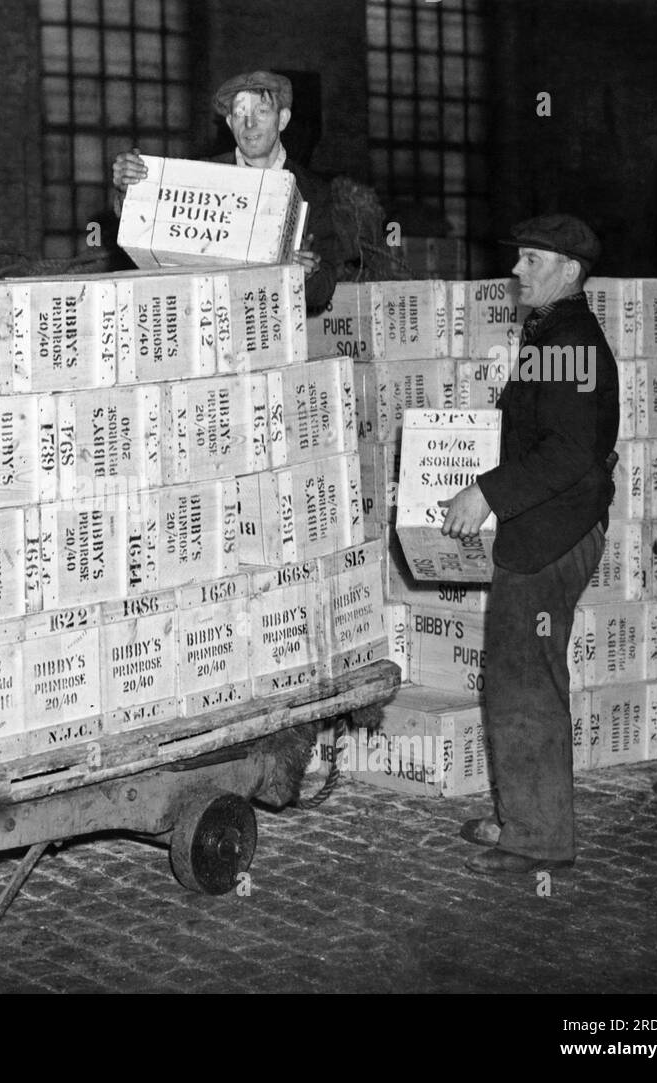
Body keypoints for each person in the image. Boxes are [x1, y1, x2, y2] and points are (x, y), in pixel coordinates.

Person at [438, 213, 619, 875]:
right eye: (519, 258)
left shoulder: (570, 338)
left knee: (525, 683)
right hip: (545, 525)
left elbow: (571, 448)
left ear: (569, 272)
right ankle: (524, 816)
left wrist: (487, 492)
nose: (517, 271)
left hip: (552, 534)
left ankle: (538, 838)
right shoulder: (552, 331)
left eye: (532, 261)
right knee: (519, 675)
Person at [111, 70, 383, 313]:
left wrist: (307, 274)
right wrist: (130, 187)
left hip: (268, 328)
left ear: (283, 119)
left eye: (262, 112)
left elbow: (323, 290)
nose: (249, 125)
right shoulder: (199, 176)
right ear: (230, 123)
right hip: (206, 319)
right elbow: (143, 222)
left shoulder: (313, 192)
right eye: (240, 114)